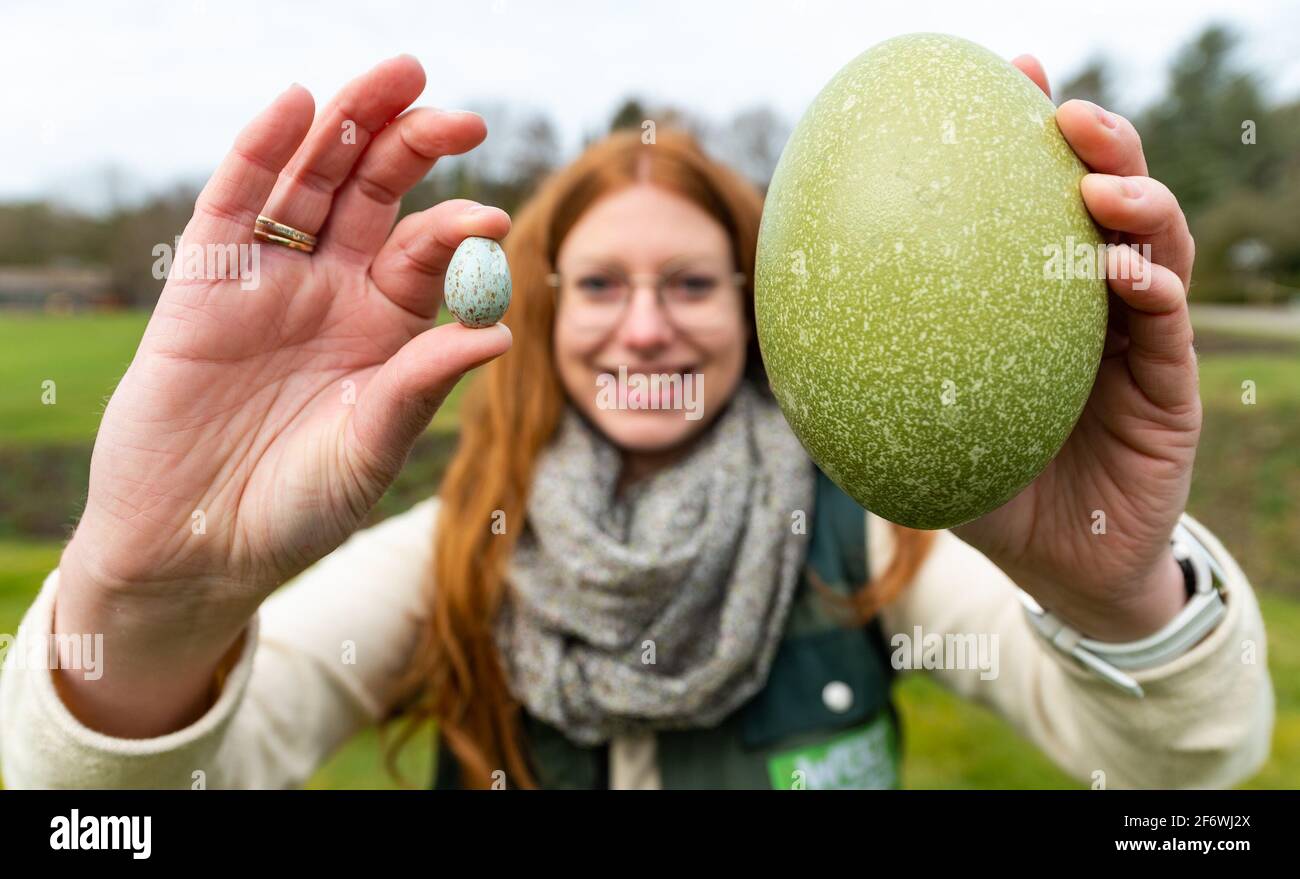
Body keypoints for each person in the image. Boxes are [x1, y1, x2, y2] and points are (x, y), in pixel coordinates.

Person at [0, 54, 1273, 790]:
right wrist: (148, 604)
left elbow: (1187, 776)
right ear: (545, 317)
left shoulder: (866, 546)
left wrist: (1117, 595)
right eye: (601, 284)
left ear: (769, 306)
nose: (647, 327)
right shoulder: (456, 556)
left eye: (691, 284)